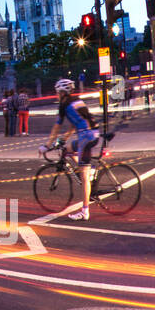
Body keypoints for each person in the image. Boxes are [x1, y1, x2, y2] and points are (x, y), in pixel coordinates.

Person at [43, 78, 99, 220]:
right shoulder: (77, 100)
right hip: (93, 133)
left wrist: (47, 145)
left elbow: (57, 127)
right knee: (67, 149)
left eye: (57, 93)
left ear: (62, 92)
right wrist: (65, 139)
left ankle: (85, 211)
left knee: (84, 177)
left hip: (86, 137)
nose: (57, 95)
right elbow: (75, 123)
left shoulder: (63, 105)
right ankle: (88, 167)